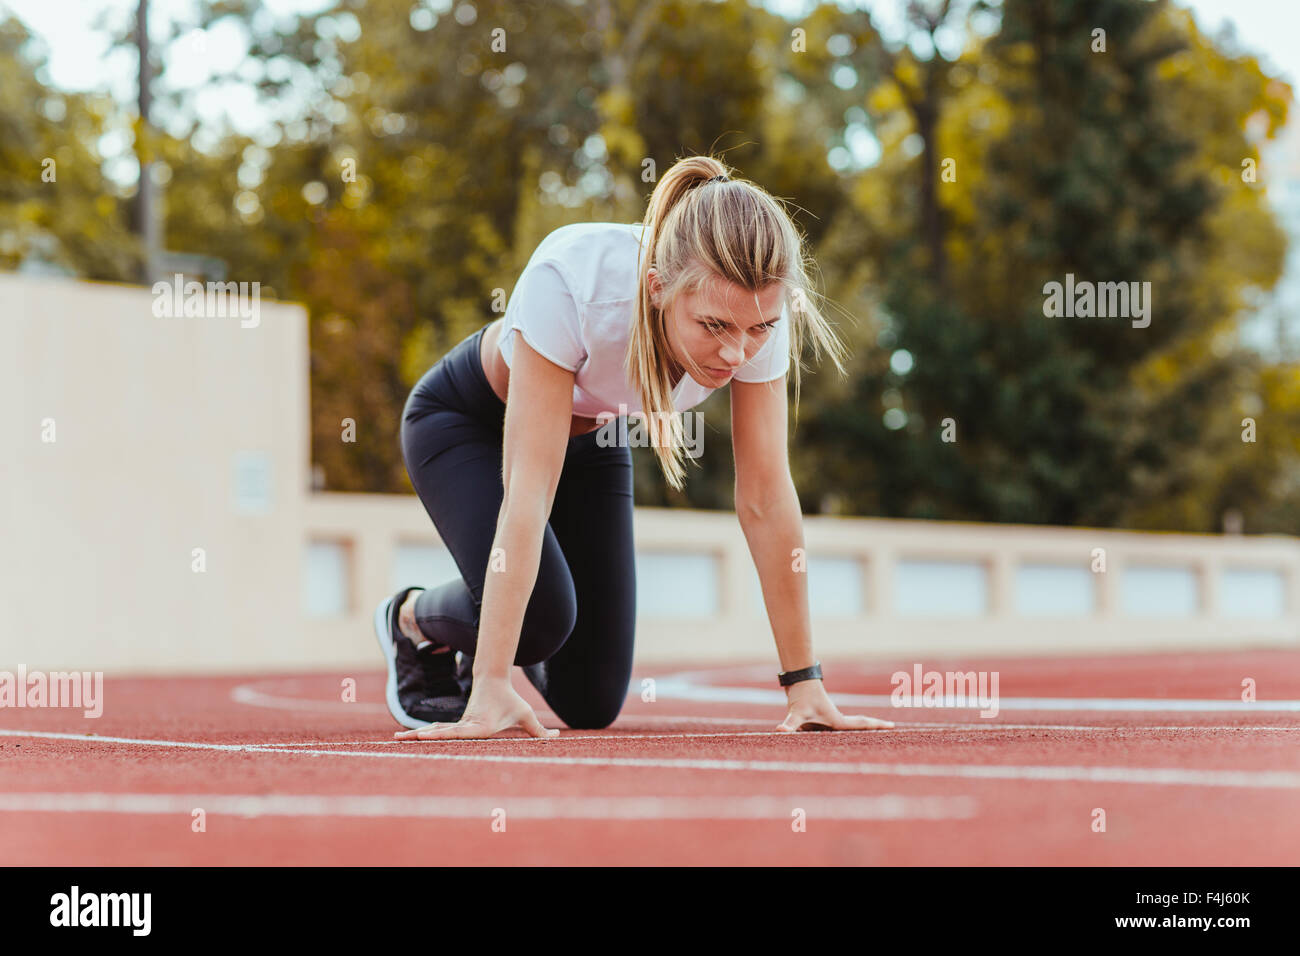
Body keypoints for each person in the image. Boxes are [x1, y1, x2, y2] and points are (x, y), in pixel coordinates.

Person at [374, 154, 895, 740]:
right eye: (714, 327)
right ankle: (414, 619)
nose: (738, 353)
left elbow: (767, 497)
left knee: (591, 701)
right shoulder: (574, 282)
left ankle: (493, 632)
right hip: (467, 425)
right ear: (656, 289)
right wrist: (494, 686)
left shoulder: (756, 312)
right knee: (544, 618)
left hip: (594, 434)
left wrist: (806, 686)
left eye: (759, 330)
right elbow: (529, 491)